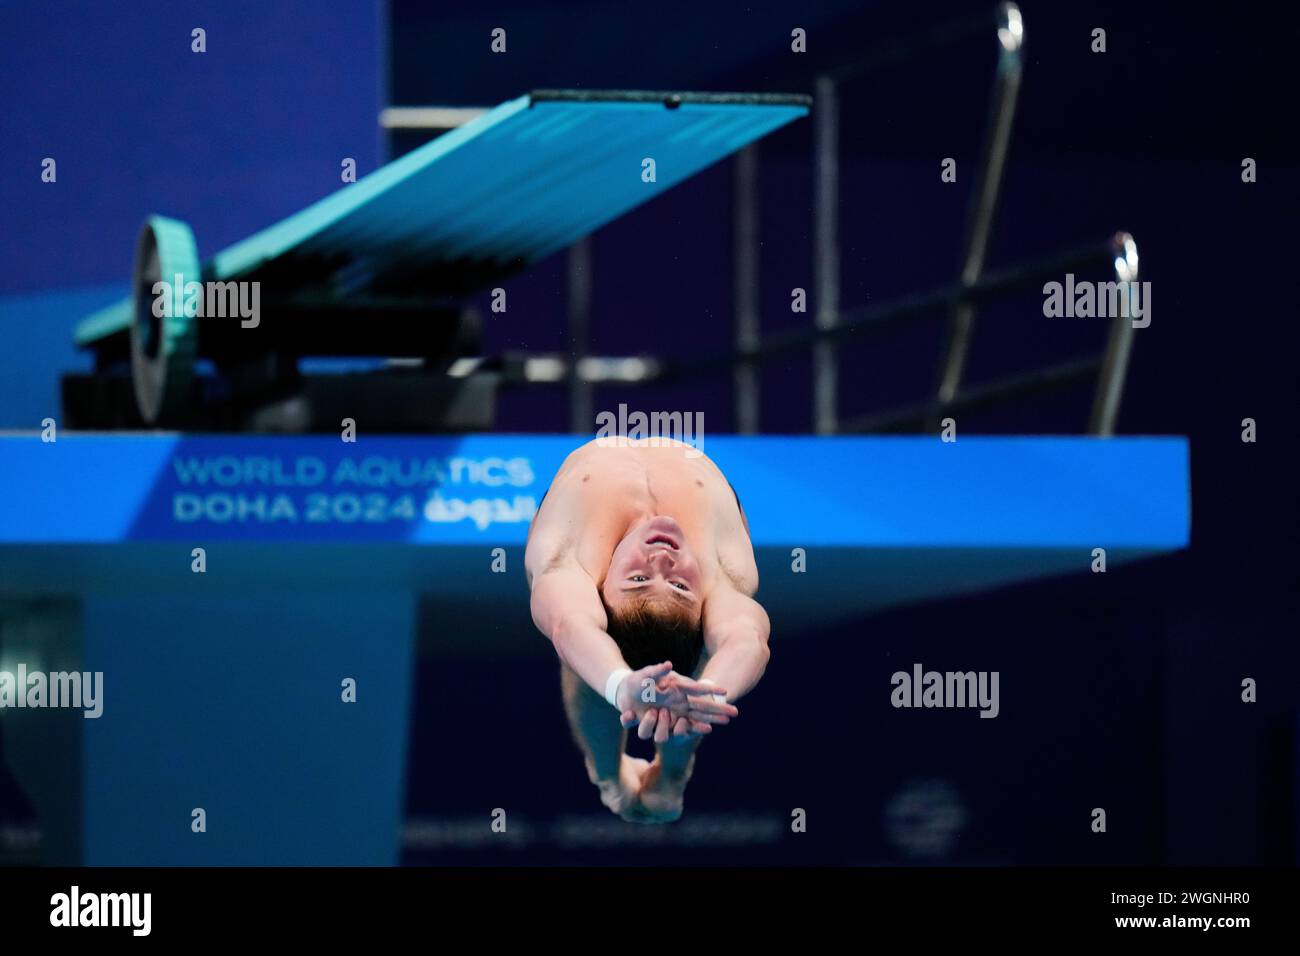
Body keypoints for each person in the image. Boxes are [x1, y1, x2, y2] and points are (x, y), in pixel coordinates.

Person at [524, 436, 771, 822]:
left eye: (638, 579)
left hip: (589, 586)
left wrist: (620, 686)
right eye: (679, 587)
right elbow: (747, 639)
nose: (662, 561)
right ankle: (671, 773)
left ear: (602, 589)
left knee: (586, 658)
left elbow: (569, 625)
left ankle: (607, 775)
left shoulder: (570, 561)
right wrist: (708, 697)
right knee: (690, 664)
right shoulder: (723, 575)